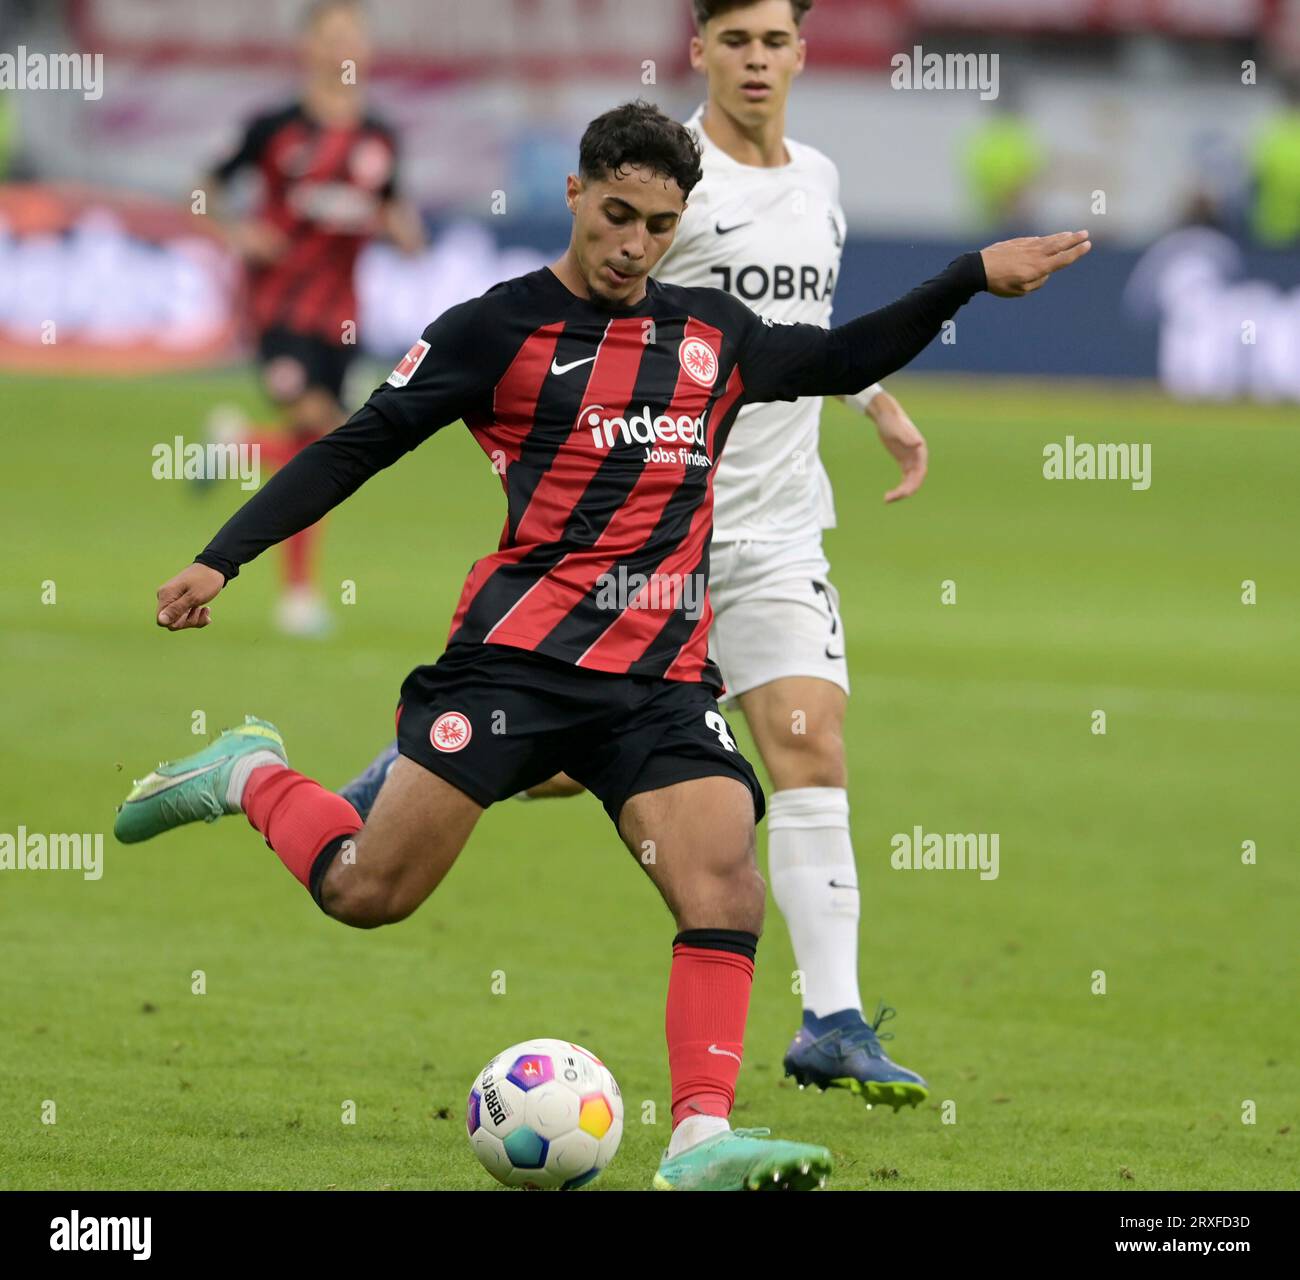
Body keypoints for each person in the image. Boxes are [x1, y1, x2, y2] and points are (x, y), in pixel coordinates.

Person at [116, 99, 1089, 1190]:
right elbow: (358, 445)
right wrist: (222, 557)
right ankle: (248, 768)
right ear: (576, 196)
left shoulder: (710, 336)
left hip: (659, 682)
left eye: (658, 225)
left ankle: (699, 1135)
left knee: (723, 882)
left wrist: (966, 277)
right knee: (365, 890)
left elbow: (842, 353)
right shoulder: (497, 329)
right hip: (512, 668)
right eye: (615, 214)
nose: (633, 245)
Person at [201, 0, 423, 635]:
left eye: (354, 37)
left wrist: (406, 234)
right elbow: (204, 188)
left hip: (341, 318)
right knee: (315, 431)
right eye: (331, 37)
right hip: (278, 308)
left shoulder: (379, 137)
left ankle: (236, 445)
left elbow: (392, 208)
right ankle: (297, 595)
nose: (344, 49)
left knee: (318, 445)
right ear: (308, 49)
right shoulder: (274, 127)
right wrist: (236, 232)